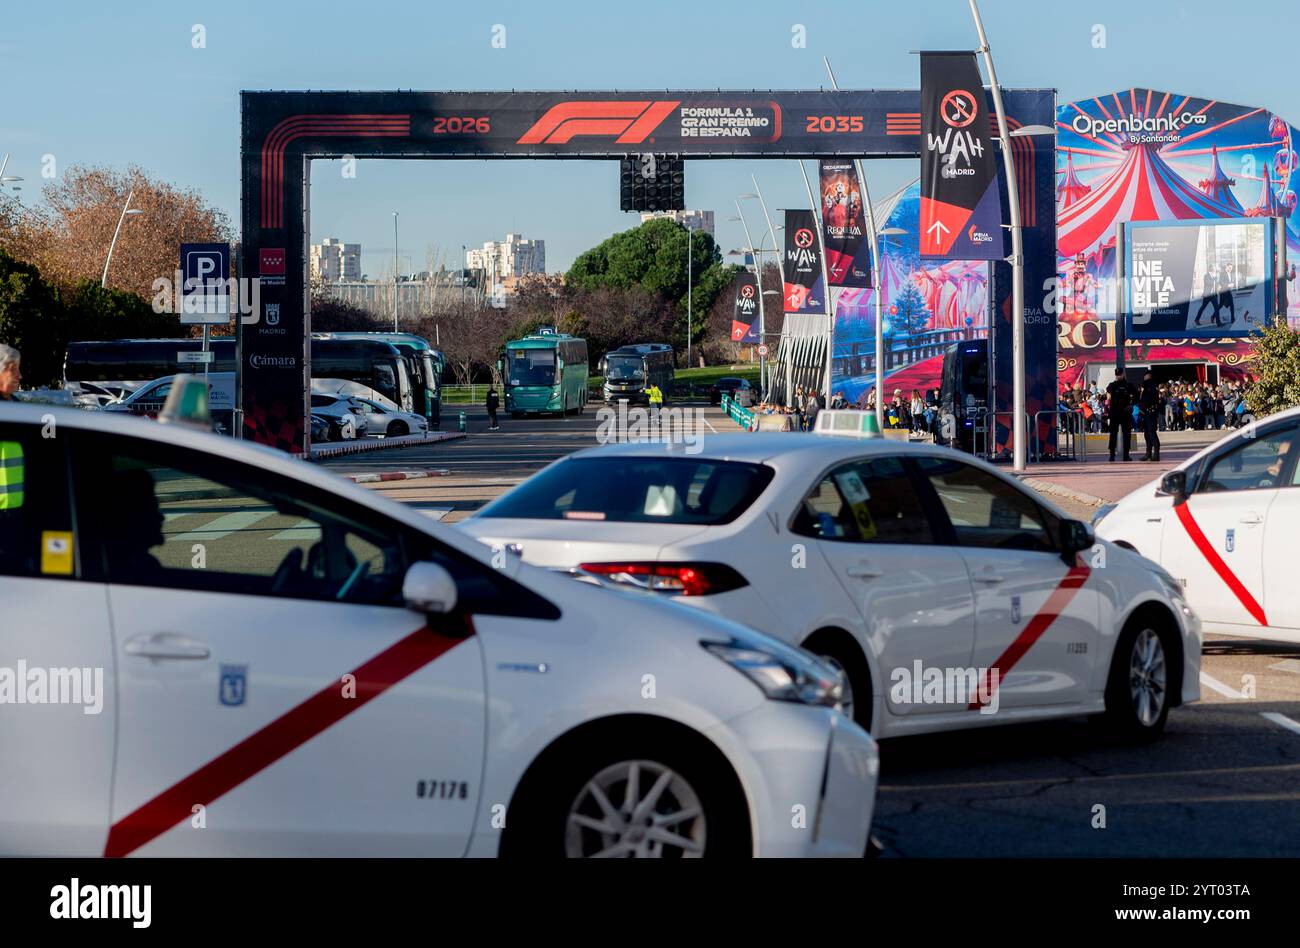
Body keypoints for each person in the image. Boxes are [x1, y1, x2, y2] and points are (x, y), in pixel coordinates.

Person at [1105, 368, 1138, 462]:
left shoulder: (1128, 385)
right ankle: (1112, 454)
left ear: (1123, 374)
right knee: (1113, 434)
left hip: (1125, 412)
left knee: (1127, 434)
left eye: (1119, 374)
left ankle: (1126, 455)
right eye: (1117, 375)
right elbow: (1108, 395)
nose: (1118, 376)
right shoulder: (1112, 385)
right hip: (1115, 412)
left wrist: (1131, 405)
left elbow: (1136, 396)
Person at [1138, 370, 1161, 462]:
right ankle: (1149, 453)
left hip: (1150, 412)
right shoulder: (1149, 386)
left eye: (1145, 376)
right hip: (1146, 412)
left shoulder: (1149, 385)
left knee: (1151, 433)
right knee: (1147, 433)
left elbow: (1147, 399)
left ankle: (1155, 453)